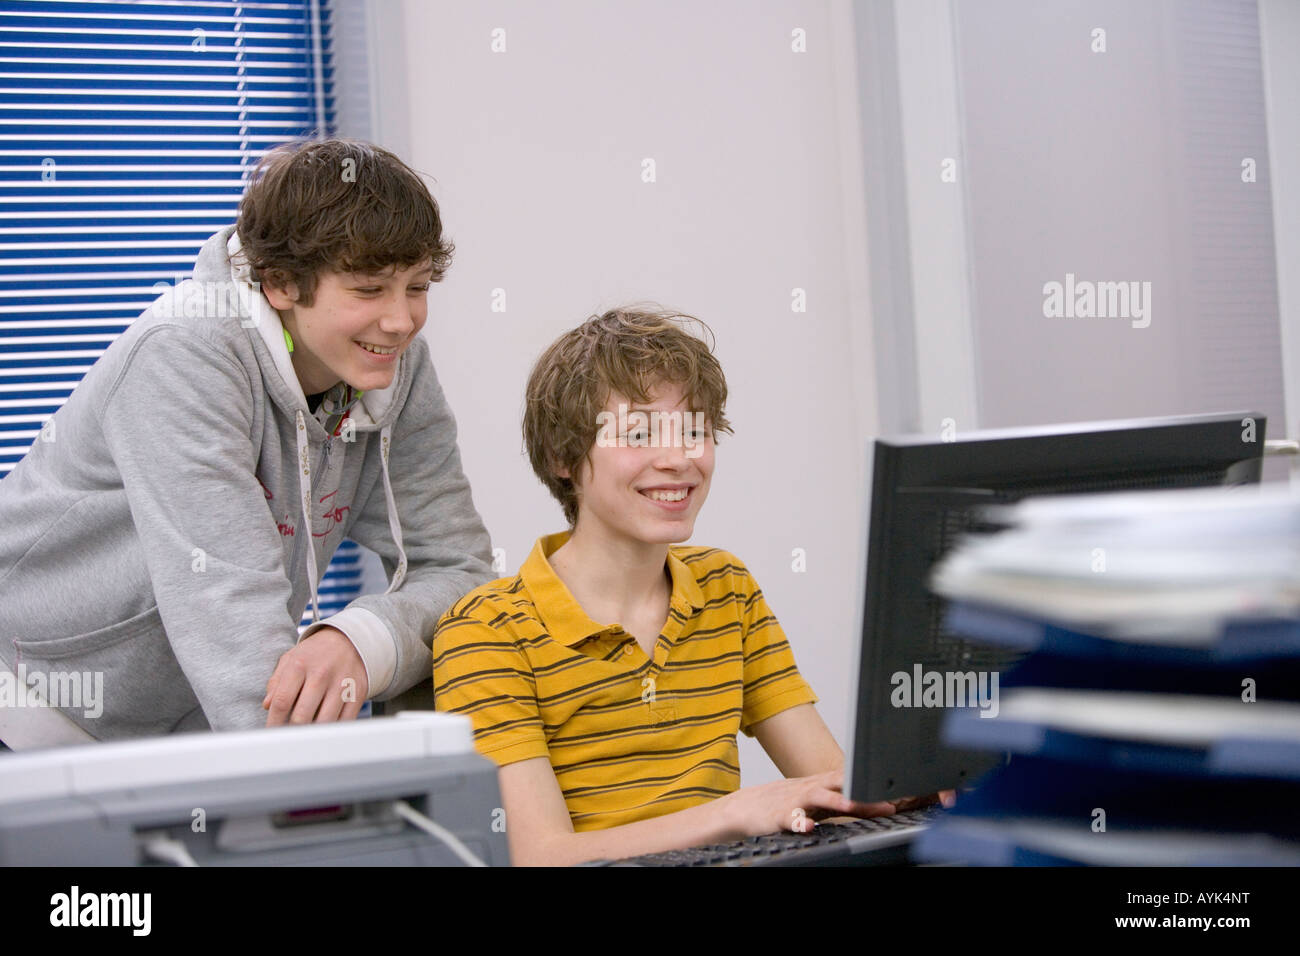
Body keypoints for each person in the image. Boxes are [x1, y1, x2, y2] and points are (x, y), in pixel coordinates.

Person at [0, 138, 494, 749]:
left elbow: (463, 571)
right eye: (369, 290)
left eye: (417, 287)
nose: (401, 321)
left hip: (179, 735)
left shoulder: (394, 363)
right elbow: (228, 603)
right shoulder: (183, 353)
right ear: (280, 281)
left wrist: (363, 639)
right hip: (25, 706)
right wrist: (307, 799)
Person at [431, 307, 947, 866]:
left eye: (694, 431)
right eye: (636, 433)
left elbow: (830, 786)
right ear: (562, 456)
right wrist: (732, 815)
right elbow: (540, 855)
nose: (677, 460)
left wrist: (908, 792)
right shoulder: (487, 629)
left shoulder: (725, 586)